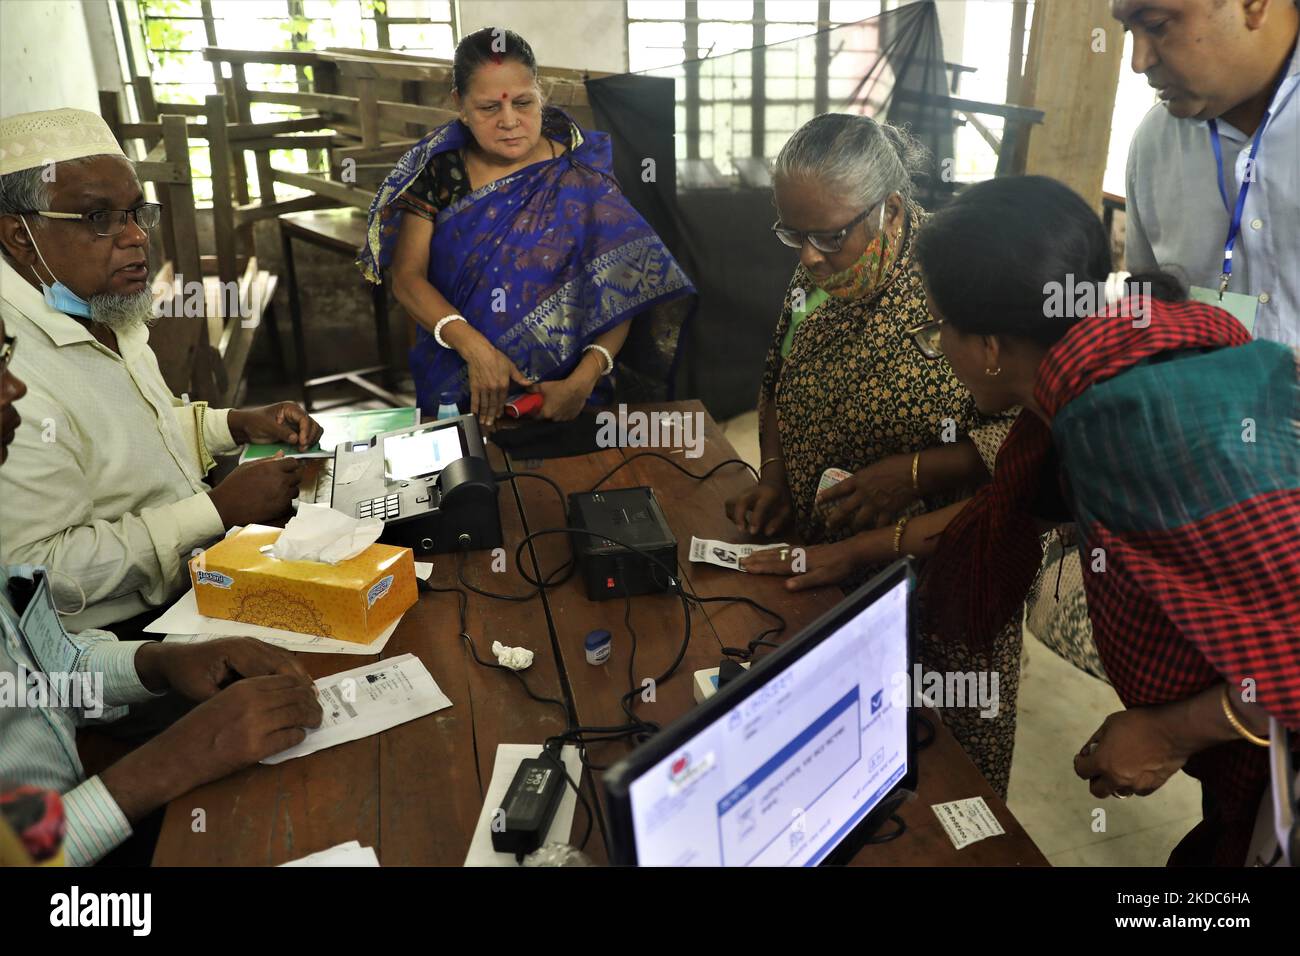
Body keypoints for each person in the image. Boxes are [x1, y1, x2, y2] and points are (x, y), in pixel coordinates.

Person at [912, 174, 1299, 866]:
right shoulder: (1144, 352)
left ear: (991, 347)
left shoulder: (1132, 430)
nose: (936, 342)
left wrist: (1172, 732)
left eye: (939, 322)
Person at [725, 113, 1023, 796]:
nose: (807, 256)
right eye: (791, 234)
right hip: (828, 566)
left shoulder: (964, 279)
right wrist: (774, 475)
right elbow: (779, 376)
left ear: (891, 209)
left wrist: (913, 473)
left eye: (829, 235)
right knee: (835, 765)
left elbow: (1024, 436)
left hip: (944, 584)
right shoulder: (819, 269)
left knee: (941, 781)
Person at [0, 312, 323, 866]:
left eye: (5, 356)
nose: (16, 387)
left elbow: (47, 668)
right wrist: (172, 763)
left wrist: (161, 664)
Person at [0, 108, 323, 632]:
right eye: (99, 218)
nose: (136, 238)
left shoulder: (98, 307)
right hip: (119, 641)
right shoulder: (13, 372)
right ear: (20, 236)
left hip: (198, 577)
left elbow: (132, 440)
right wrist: (215, 512)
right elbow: (35, 571)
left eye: (135, 213)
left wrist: (233, 424)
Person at [358, 28, 695, 428]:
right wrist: (475, 349)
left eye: (523, 103)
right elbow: (407, 279)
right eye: (488, 109)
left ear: (541, 94)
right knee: (466, 485)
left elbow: (625, 281)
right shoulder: (439, 170)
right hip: (461, 391)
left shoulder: (580, 171)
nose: (509, 121)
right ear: (459, 105)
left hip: (569, 398)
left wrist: (584, 380)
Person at [1116, 0, 1299, 346]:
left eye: (1156, 25)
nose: (1138, 62)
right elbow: (1146, 305)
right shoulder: (1155, 143)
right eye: (1129, 31)